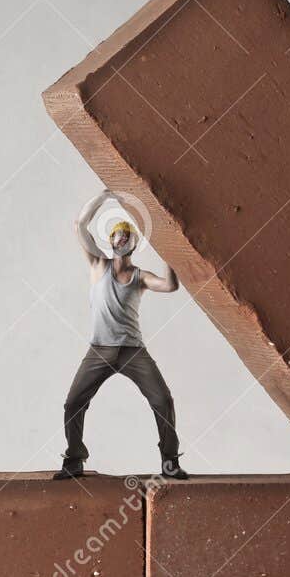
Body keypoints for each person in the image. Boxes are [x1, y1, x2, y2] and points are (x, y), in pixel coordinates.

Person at [55, 190, 188, 481]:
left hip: (132, 351)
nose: (122, 239)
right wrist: (104, 197)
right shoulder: (98, 265)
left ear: (133, 243)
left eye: (127, 236)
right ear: (111, 240)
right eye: (118, 235)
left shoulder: (140, 276)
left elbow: (170, 286)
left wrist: (168, 253)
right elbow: (79, 224)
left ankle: (170, 462)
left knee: (163, 401)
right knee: (73, 403)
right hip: (99, 350)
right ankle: (75, 459)